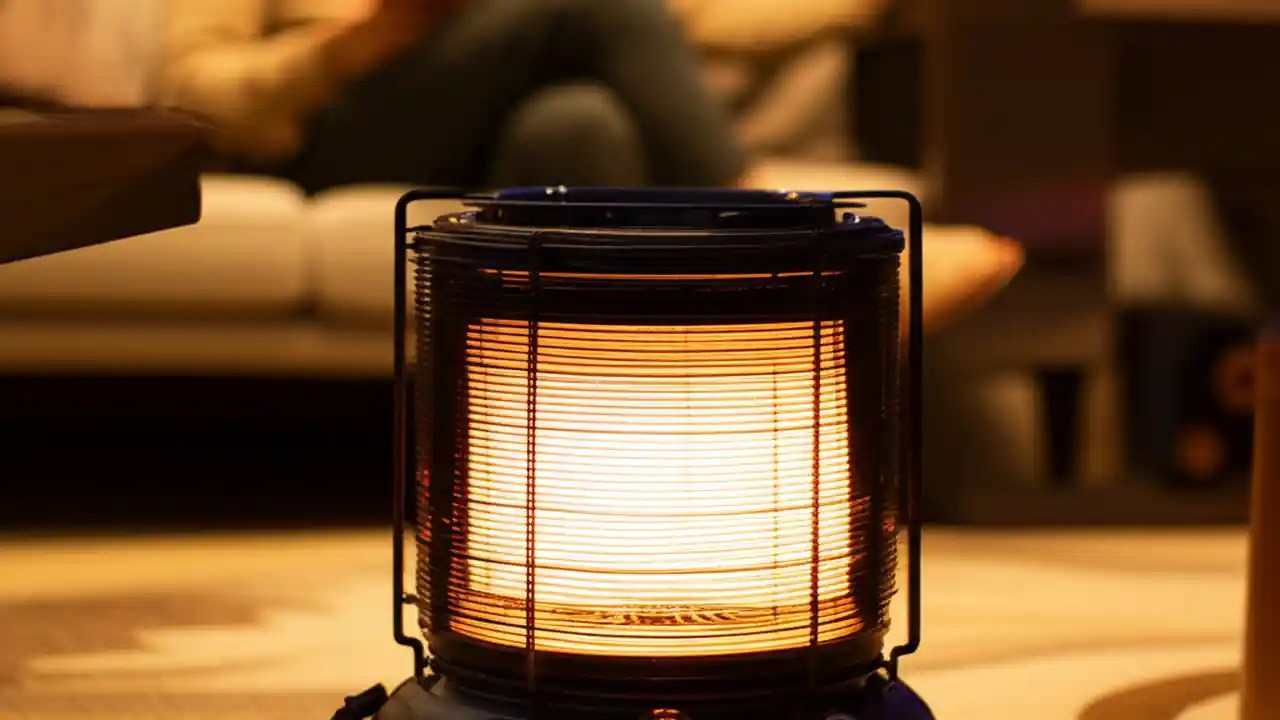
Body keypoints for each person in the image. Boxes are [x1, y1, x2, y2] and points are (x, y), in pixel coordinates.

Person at [158, 0, 747, 193]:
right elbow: (192, 88)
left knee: (577, 125)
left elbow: (664, 26)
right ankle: (770, 231)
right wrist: (338, 52)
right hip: (336, 133)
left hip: (498, 130)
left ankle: (594, 424)